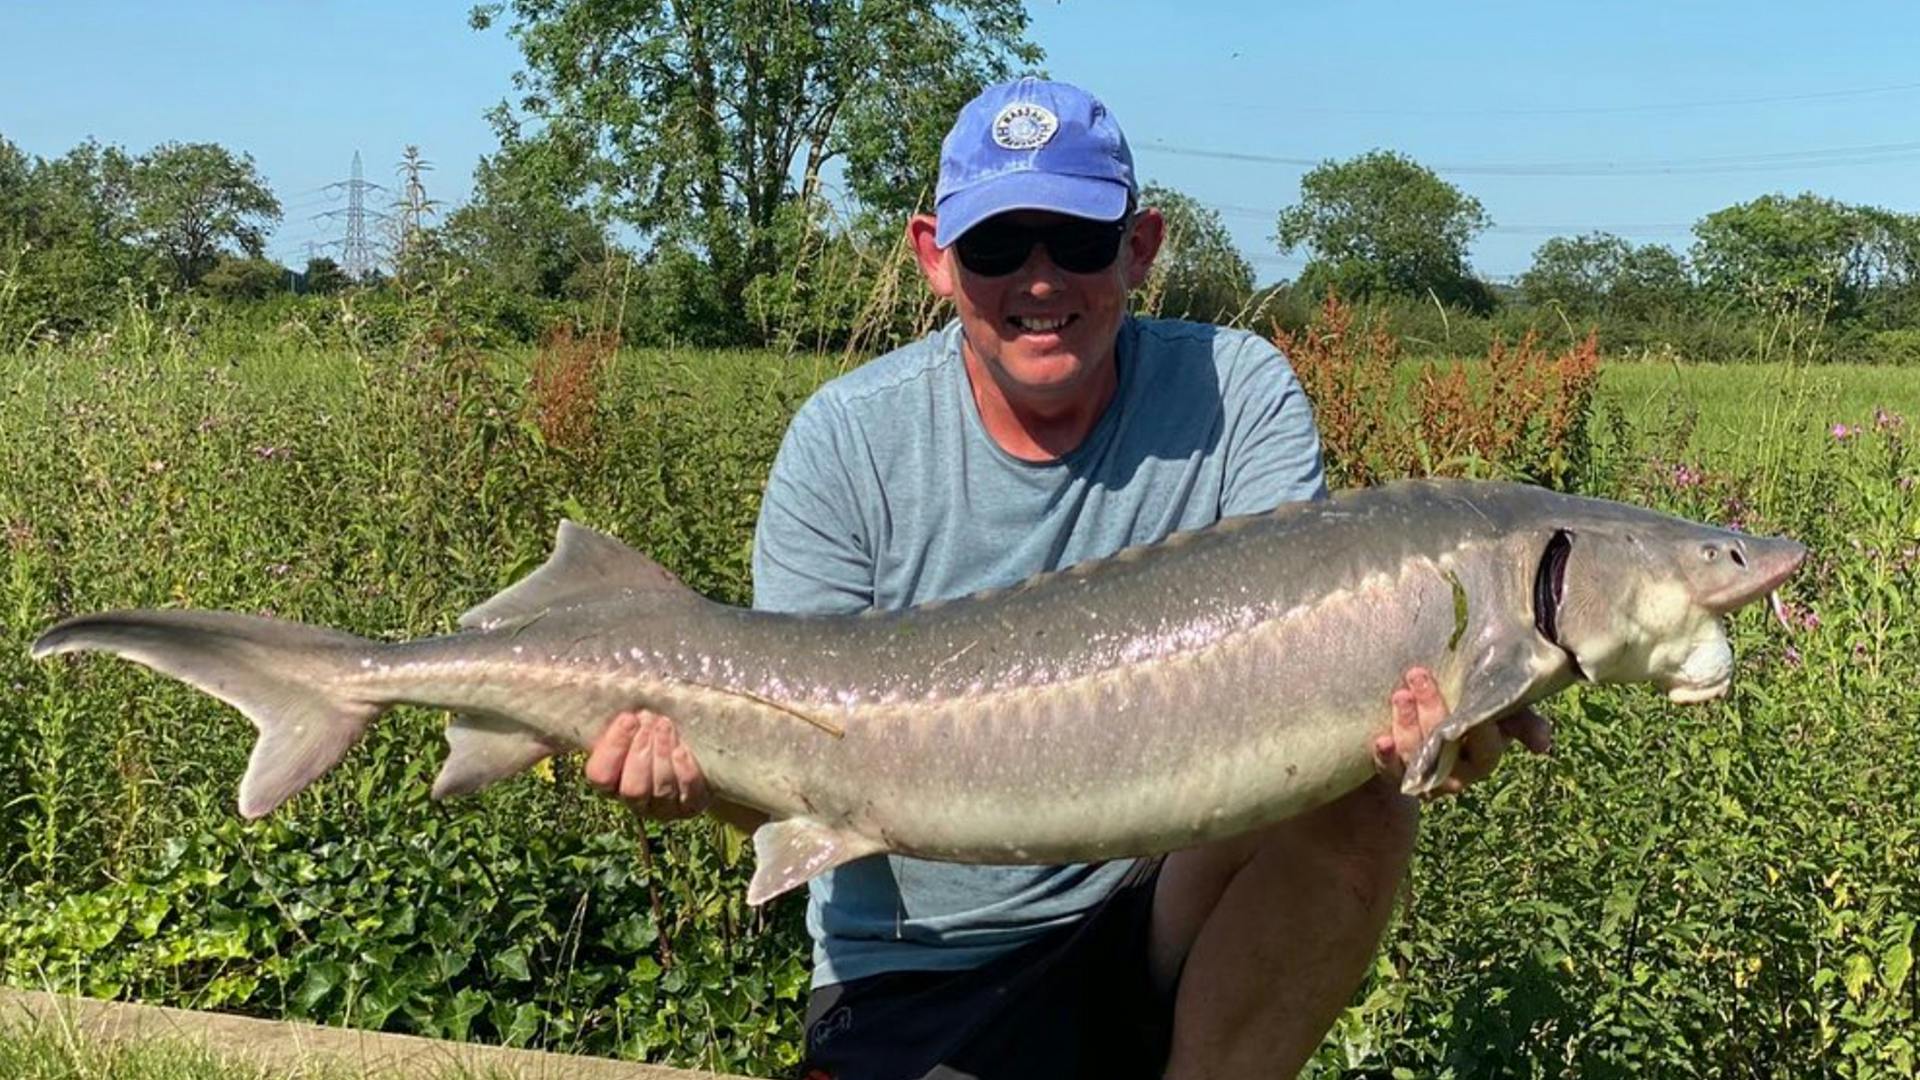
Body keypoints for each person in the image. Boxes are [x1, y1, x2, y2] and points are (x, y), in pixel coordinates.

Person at [584, 78, 1551, 1079]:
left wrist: (1438, 724)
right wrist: (703, 787)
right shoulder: (847, 441)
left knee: (1359, 795)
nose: (1040, 282)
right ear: (935, 259)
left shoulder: (1239, 394)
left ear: (1140, 248)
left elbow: (1318, 674)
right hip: (916, 970)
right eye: (1000, 248)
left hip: (1150, 910)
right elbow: (799, 772)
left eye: (1078, 243)